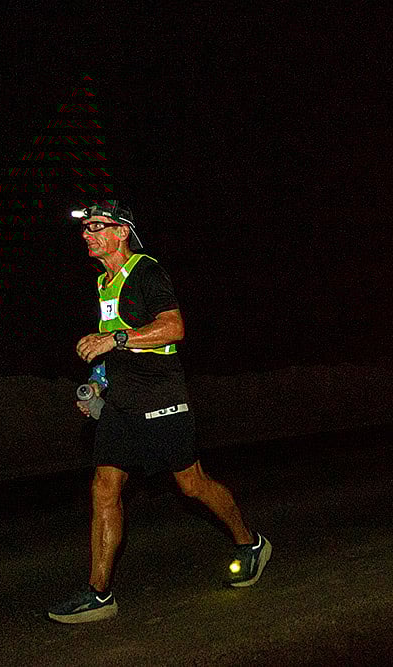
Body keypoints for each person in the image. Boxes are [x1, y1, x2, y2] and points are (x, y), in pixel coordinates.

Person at [48, 201, 271, 624]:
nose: (87, 234)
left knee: (191, 485)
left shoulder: (147, 272)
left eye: (97, 226)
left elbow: (173, 328)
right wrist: (99, 381)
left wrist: (112, 339)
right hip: (121, 402)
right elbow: (123, 343)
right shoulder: (104, 282)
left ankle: (250, 542)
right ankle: (99, 594)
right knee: (103, 486)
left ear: (122, 232)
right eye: (85, 228)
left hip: (161, 398)